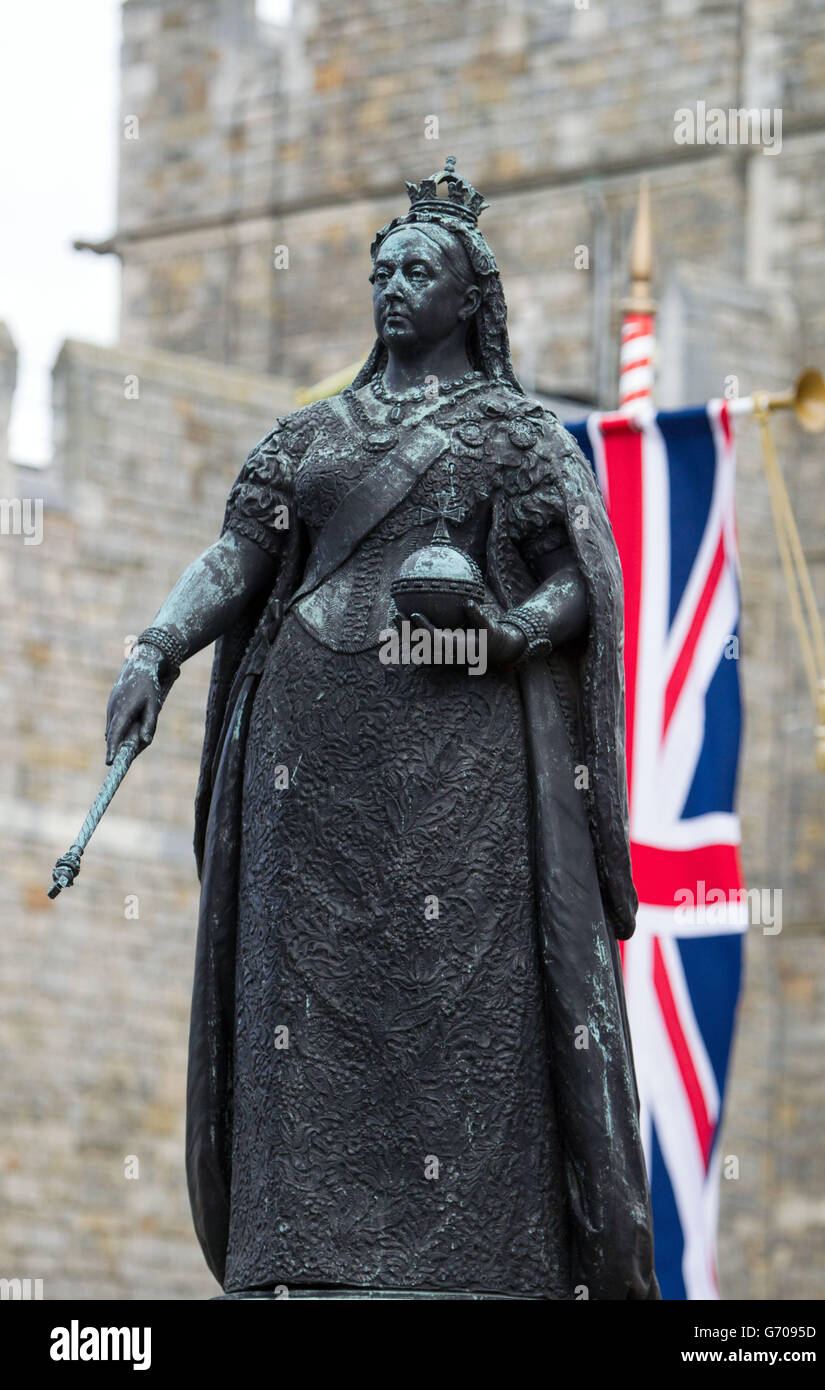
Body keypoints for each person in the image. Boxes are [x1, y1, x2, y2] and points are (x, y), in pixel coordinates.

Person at [105, 157, 659, 1300]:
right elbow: (238, 558)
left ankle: (476, 1258)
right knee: (297, 1022)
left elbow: (580, 584)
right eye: (385, 267)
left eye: (422, 268)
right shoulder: (307, 438)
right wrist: (155, 646)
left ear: (471, 296)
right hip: (305, 773)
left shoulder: (513, 434)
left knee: (457, 1009)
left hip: (457, 769)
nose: (396, 284)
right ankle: (295, 1255)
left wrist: (503, 632)